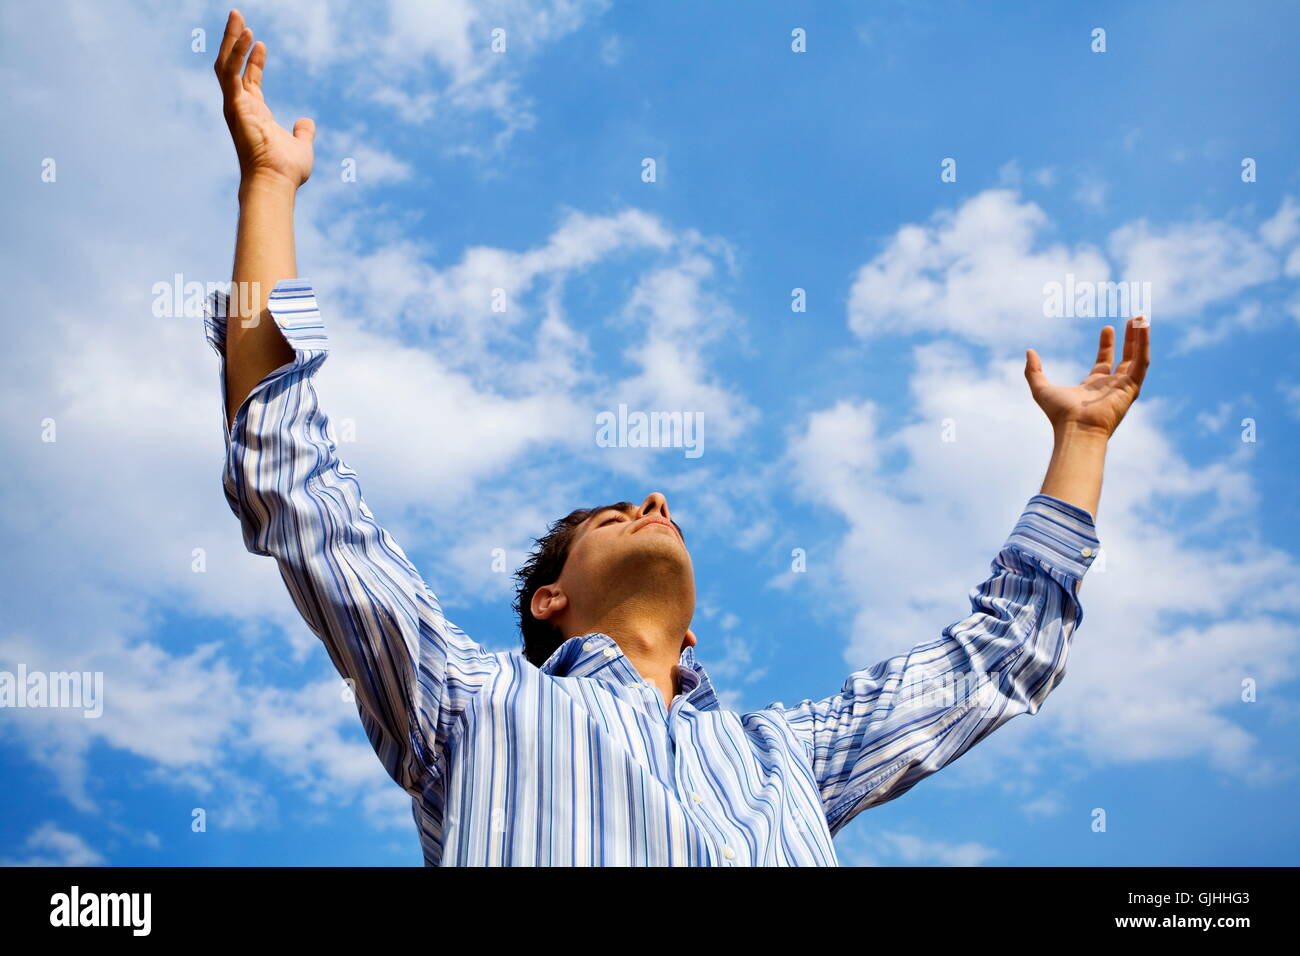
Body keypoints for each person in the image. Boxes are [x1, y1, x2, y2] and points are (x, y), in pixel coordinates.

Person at [205, 10, 1150, 866]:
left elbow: (998, 654)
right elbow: (293, 481)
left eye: (651, 509)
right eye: (617, 513)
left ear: (693, 633)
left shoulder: (790, 760)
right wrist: (269, 190)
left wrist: (1084, 438)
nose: (657, 504)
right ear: (549, 600)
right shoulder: (465, 702)